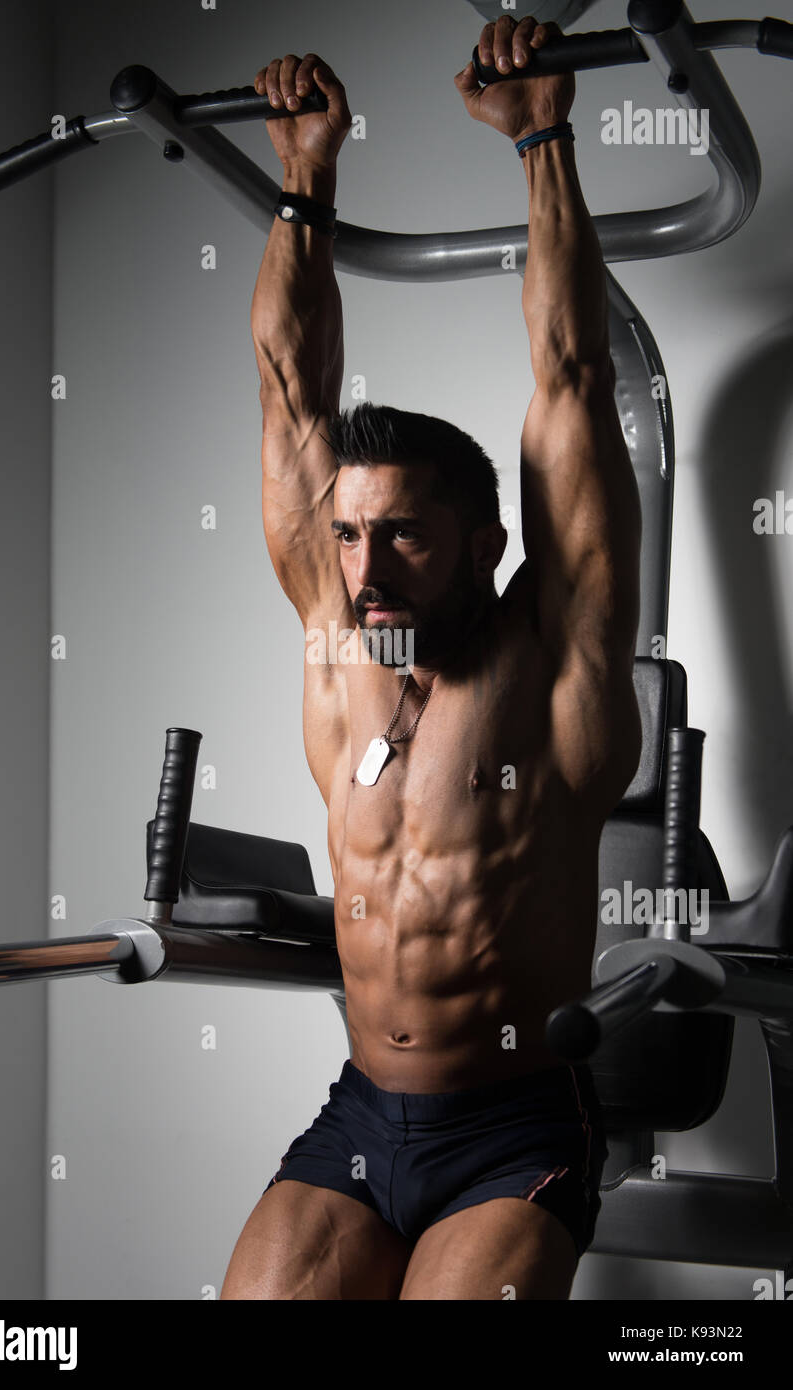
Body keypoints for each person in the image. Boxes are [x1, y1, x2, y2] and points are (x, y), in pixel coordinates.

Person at [220, 14, 642, 1300]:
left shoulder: (551, 656)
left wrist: (546, 142)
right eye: (346, 533)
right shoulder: (335, 644)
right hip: (359, 1120)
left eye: (403, 532)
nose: (364, 564)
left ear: (482, 544)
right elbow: (291, 383)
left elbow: (572, 373)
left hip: (514, 1129)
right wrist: (308, 173)